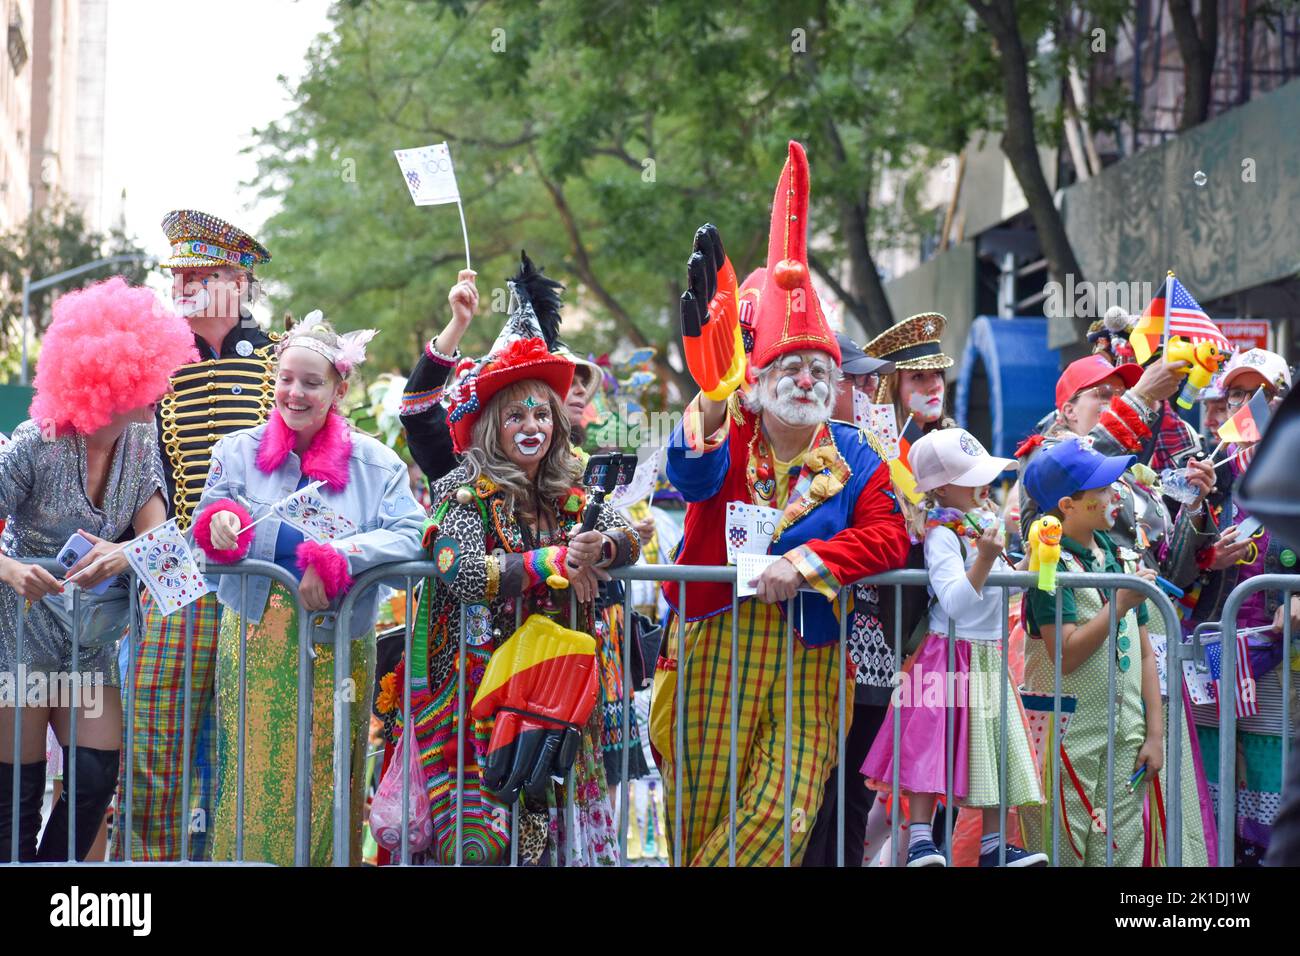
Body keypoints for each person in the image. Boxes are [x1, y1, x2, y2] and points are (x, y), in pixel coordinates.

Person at [656, 141, 910, 867]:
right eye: (790, 366)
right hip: (715, 645)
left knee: (780, 816)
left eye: (818, 369)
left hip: (810, 656)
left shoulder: (859, 454)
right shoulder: (729, 426)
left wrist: (805, 563)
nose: (805, 379)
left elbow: (888, 539)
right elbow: (693, 479)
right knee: (697, 816)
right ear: (761, 375)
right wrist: (710, 390)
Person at [378, 269, 642, 867]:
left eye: (542, 416)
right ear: (493, 423)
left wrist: (601, 548)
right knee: (477, 843)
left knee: (547, 838)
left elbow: (628, 543)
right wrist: (552, 559)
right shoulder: (466, 490)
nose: (532, 428)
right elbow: (466, 573)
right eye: (517, 416)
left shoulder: (572, 494)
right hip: (473, 693)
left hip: (557, 694)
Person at [190, 313, 425, 865]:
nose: (294, 393)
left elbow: (412, 534)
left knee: (328, 775)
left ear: (340, 389)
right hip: (252, 641)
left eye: (311, 383)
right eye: (285, 379)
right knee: (250, 772)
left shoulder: (377, 464)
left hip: (337, 644)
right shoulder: (235, 451)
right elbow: (205, 526)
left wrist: (338, 557)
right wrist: (219, 521)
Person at [0, 277, 197, 861]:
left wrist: (128, 553)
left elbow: (169, 562)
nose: (160, 387)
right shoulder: (36, 444)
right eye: (148, 374)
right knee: (15, 795)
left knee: (91, 784)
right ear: (112, 380)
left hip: (89, 641)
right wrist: (11, 571)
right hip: (20, 632)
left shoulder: (141, 446)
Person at [117, 210, 279, 861]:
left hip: (263, 580)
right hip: (178, 572)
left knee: (250, 737)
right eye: (178, 274)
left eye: (200, 274)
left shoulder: (279, 361)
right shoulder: (154, 363)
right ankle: (147, 870)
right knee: (156, 729)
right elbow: (139, 475)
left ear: (238, 280)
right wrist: (166, 576)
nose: (183, 285)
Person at [862, 428, 1045, 866]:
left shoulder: (983, 523)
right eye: (970, 476)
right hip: (947, 652)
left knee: (995, 747)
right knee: (929, 745)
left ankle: (993, 844)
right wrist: (984, 559)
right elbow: (958, 602)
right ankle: (922, 838)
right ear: (941, 487)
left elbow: (1005, 594)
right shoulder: (943, 534)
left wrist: (1031, 562)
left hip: (987, 653)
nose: (983, 484)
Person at [1020, 438, 1207, 865]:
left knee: (1119, 853)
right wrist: (1119, 604)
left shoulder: (1117, 558)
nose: (1115, 494)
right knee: (1060, 848)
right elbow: (1065, 652)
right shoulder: (1048, 569)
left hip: (1126, 737)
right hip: (1067, 738)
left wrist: (1155, 733)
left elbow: (1143, 655)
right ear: (1068, 505)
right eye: (1102, 489)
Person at [1166, 348, 1298, 864]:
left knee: (1270, 786)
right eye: (1238, 394)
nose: (1245, 406)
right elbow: (1172, 575)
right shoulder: (1203, 471)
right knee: (1212, 783)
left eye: (1259, 395)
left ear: (1279, 403)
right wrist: (1197, 515)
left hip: (1279, 663)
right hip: (1212, 657)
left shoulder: (1292, 467)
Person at [865, 313, 956, 438]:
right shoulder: (871, 448)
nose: (935, 386)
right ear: (891, 386)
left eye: (938, 373)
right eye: (918, 376)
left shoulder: (952, 441)